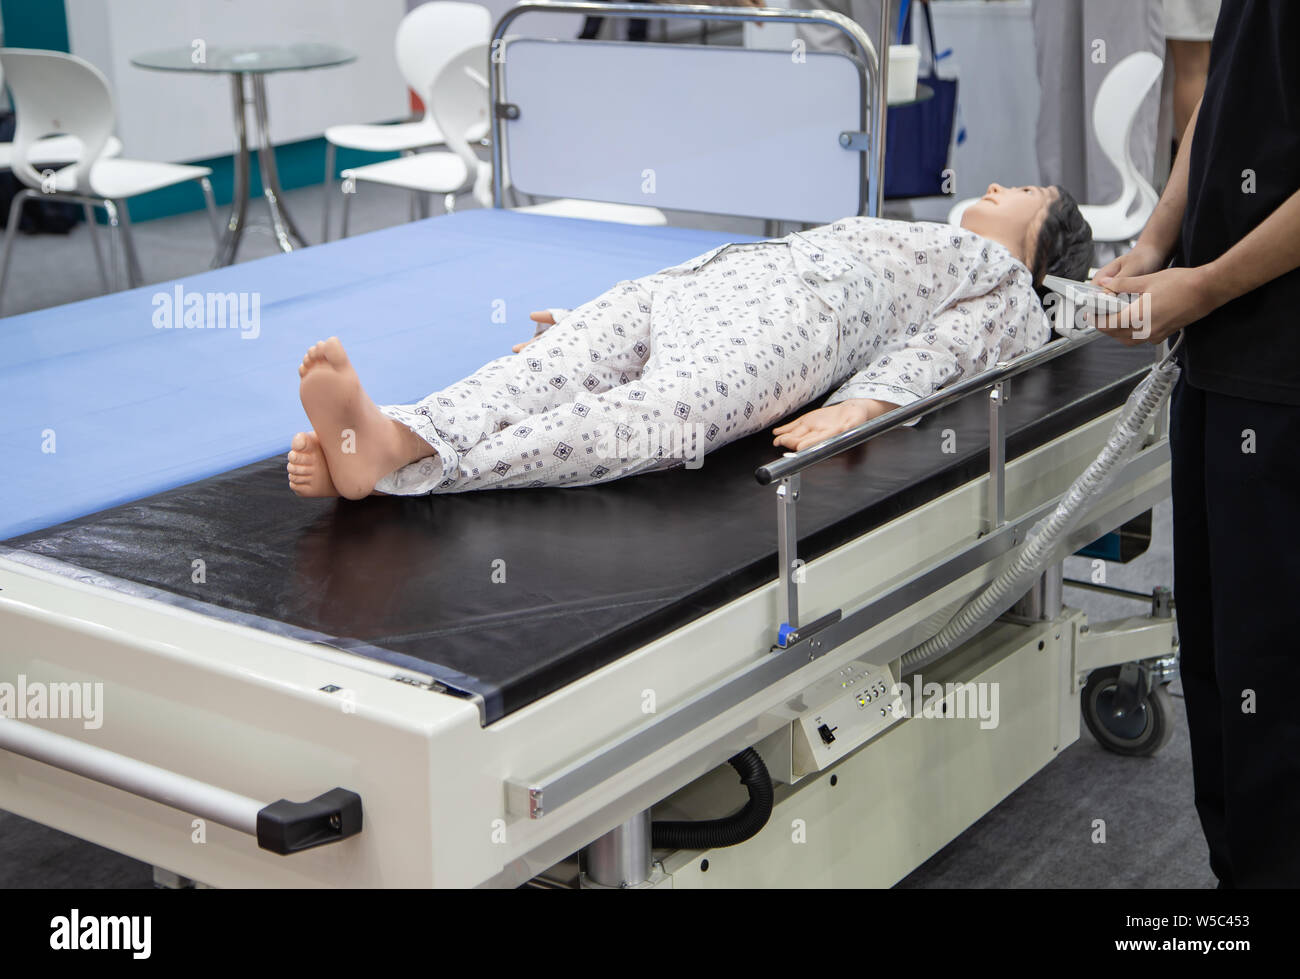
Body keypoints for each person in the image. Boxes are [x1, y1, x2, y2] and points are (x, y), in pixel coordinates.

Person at [285, 184, 1091, 500]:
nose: (996, 187)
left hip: (800, 318)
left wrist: (864, 408)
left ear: (1039, 242)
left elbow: (948, 353)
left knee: (656, 412)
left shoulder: (1007, 284)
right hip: (723, 281)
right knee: (564, 364)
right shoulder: (925, 235)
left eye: (1023, 191)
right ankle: (398, 434)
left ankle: (413, 454)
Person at [1092, 1, 1300, 887]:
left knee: (1275, 681)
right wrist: (1153, 245)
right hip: (1220, 361)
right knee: (1219, 667)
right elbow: (1218, 104)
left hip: (1282, 369)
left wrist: (1204, 286)